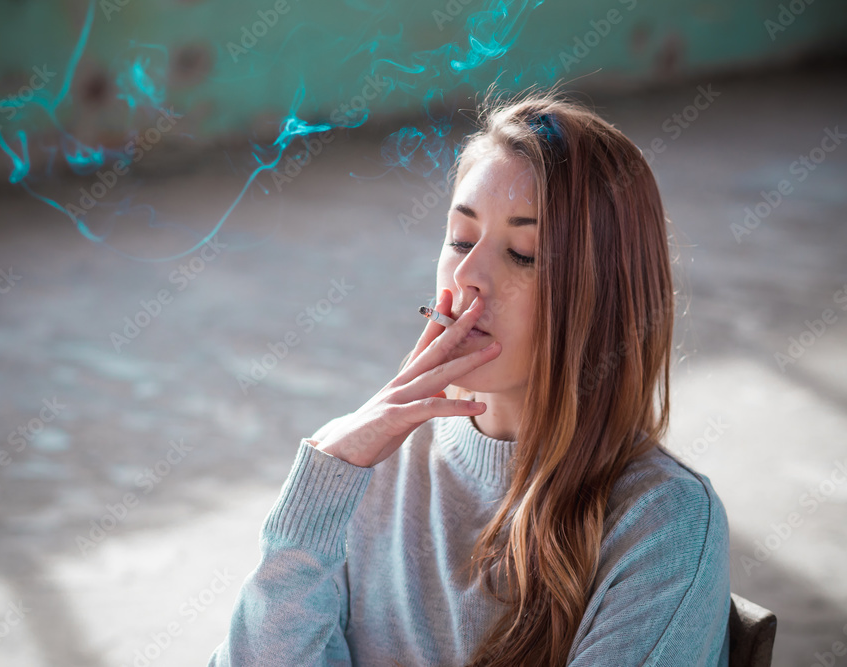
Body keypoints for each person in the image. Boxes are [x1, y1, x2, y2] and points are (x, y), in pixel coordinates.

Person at [207, 88, 731, 666]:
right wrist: (321, 484)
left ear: (604, 297)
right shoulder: (364, 468)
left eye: (524, 254)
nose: (469, 273)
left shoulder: (664, 527)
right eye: (460, 239)